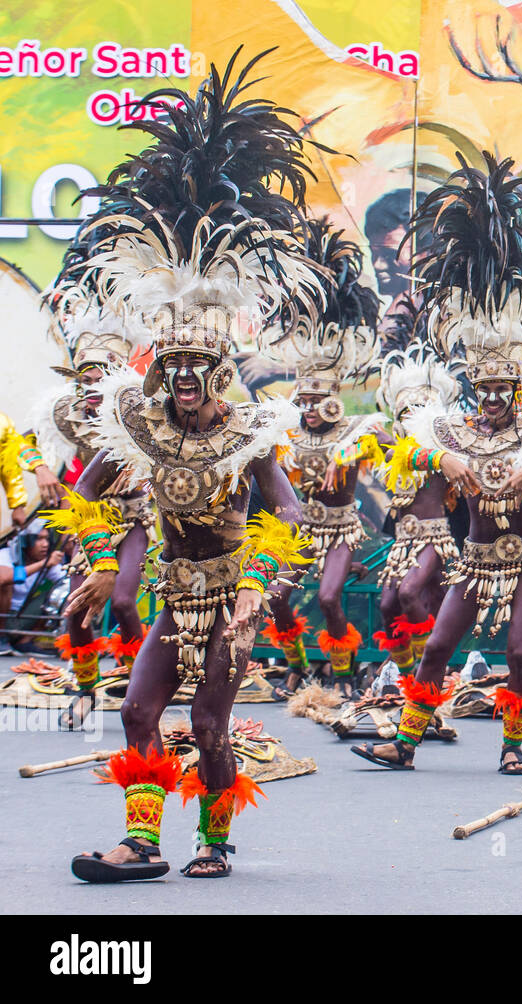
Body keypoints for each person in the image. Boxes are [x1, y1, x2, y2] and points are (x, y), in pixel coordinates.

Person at [55, 50, 316, 882]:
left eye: (197, 376)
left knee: (209, 724)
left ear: (218, 376)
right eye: (172, 375)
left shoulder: (248, 433)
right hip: (176, 592)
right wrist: (98, 562)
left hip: (231, 597)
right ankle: (140, 841)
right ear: (163, 376)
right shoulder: (136, 426)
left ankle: (213, 840)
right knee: (137, 709)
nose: (184, 389)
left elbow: (290, 513)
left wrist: (256, 589)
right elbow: (84, 492)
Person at [350, 153, 522, 776]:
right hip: (474, 558)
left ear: (514, 391)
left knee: (517, 651)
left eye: (501, 392)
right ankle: (404, 742)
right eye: (482, 391)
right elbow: (410, 445)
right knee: (435, 645)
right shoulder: (451, 430)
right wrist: (445, 460)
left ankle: (513, 747)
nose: (491, 401)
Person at [261, 219, 382, 699]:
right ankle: (296, 666)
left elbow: (381, 431)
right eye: (302, 401)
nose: (310, 410)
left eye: (318, 401)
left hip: (339, 529)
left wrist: (351, 447)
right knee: (279, 599)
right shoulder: (286, 434)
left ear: (334, 399)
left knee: (330, 597)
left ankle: (344, 671)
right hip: (297, 530)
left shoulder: (355, 430)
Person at [30, 292, 153, 726]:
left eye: (101, 379)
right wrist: (42, 469)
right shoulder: (66, 413)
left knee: (122, 602)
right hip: (91, 518)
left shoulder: (142, 412)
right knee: (79, 610)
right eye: (85, 379)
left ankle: (141, 684)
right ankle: (84, 690)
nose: (92, 388)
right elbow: (28, 441)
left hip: (136, 516)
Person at [369, 344, 462, 679]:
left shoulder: (442, 447)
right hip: (403, 539)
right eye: (404, 412)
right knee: (387, 607)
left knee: (409, 593)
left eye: (417, 411)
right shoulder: (393, 446)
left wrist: (388, 443)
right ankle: (407, 676)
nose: (410, 417)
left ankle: (428, 674)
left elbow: (421, 458)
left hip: (435, 536)